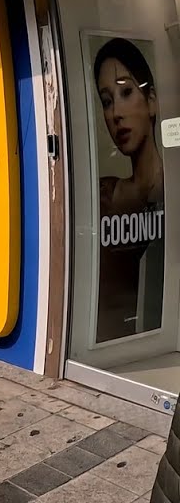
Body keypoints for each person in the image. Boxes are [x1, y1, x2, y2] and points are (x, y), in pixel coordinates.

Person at [91, 38, 165, 343]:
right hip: (108, 343)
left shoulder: (170, 188)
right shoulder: (103, 194)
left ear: (150, 101)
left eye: (125, 92)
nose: (116, 113)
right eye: (107, 101)